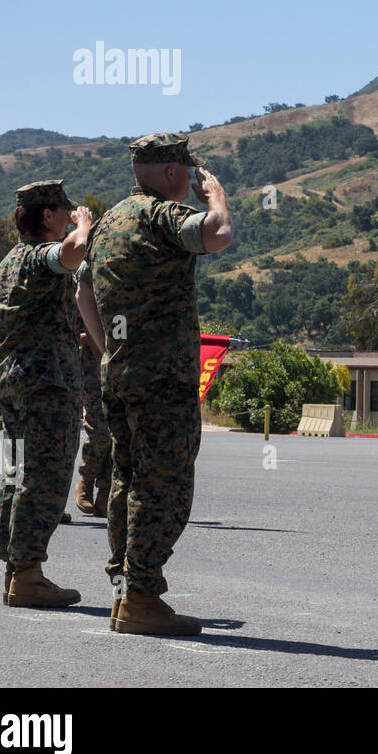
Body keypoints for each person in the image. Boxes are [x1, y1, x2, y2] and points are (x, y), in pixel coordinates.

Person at [78, 133, 233, 635]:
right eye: (188, 172)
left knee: (127, 477)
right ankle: (142, 596)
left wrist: (108, 351)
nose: (191, 180)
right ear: (171, 172)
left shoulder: (109, 221)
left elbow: (81, 287)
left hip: (120, 374)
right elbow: (217, 235)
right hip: (162, 377)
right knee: (164, 483)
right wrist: (217, 198)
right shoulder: (158, 215)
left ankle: (126, 592)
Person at [0, 180, 93, 607]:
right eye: (64, 209)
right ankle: (28, 574)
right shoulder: (38, 257)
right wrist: (83, 228)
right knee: (46, 477)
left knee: (17, 475)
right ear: (46, 216)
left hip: (13, 383)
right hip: (47, 386)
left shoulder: (4, 266)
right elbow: (69, 255)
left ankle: (16, 570)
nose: (70, 214)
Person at [72, 260, 110, 518]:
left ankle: (106, 493)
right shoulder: (79, 296)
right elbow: (67, 333)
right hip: (91, 373)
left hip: (116, 370)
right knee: (100, 434)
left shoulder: (118, 294)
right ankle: (85, 482)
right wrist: (92, 335)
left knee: (118, 436)